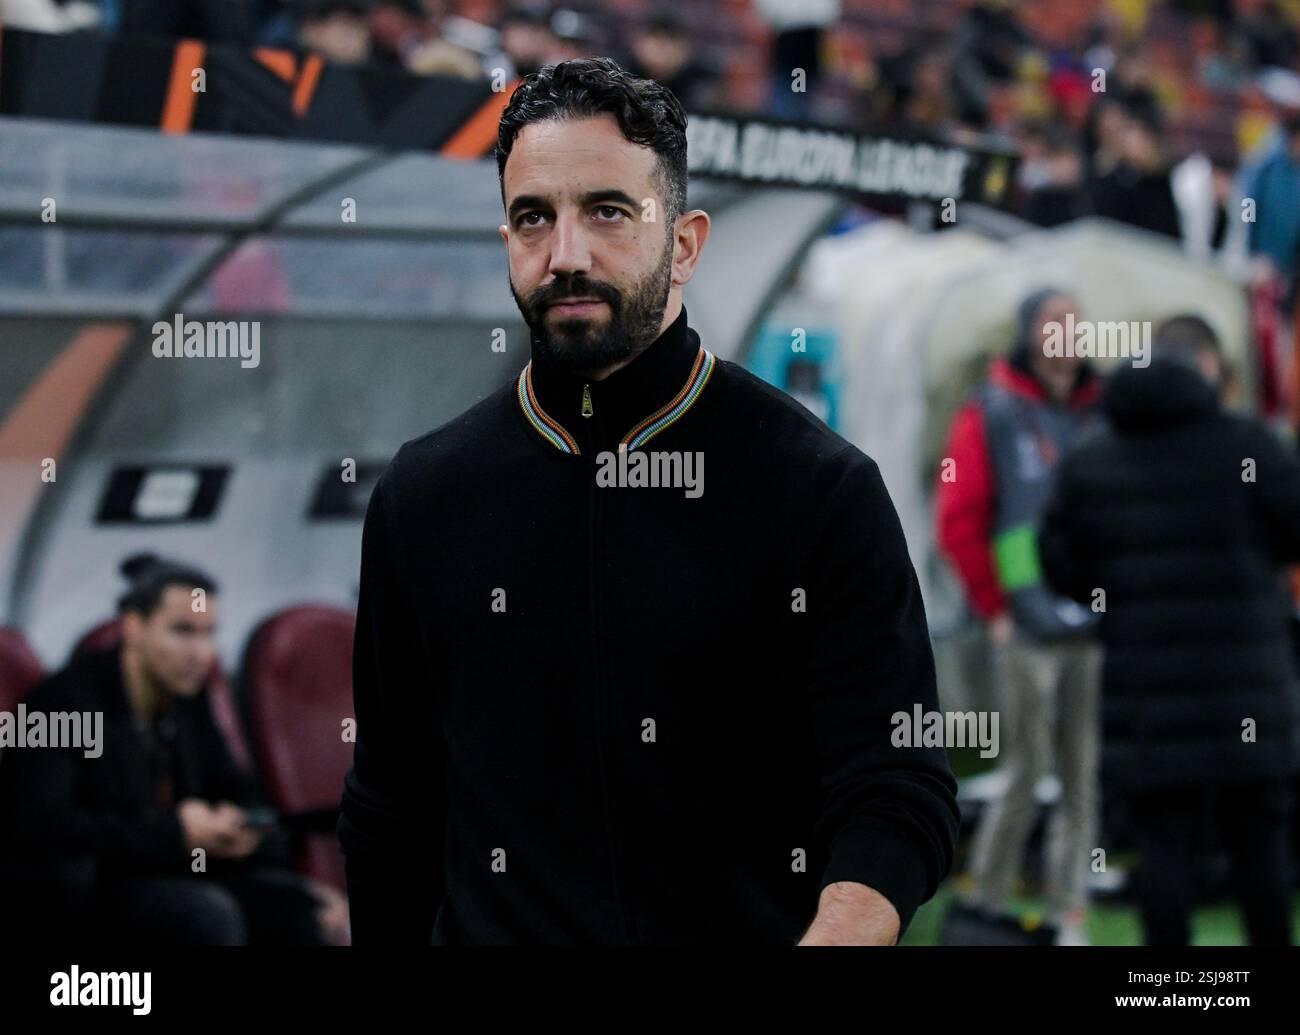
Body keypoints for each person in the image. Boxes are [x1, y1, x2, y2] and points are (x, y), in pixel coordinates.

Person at [337, 56, 959, 946]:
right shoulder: (425, 496)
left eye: (608, 212)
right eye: (532, 219)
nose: (567, 255)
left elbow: (896, 780)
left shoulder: (818, 488)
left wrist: (845, 923)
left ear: (687, 242)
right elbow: (390, 807)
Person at [1039, 315, 1300, 946]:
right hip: (1248, 684)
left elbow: (1060, 564)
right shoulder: (1249, 444)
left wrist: (1119, 594)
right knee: (1259, 845)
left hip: (1145, 688)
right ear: (1206, 369)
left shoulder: (1090, 461)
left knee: (1163, 847)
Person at [0, 554, 347, 945]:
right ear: (133, 627)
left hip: (174, 872)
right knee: (206, 914)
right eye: (184, 632)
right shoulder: (61, 703)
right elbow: (39, 828)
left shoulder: (185, 700)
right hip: (90, 891)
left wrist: (245, 830)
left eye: (208, 633)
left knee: (305, 912)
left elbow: (233, 786)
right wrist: (175, 834)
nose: (202, 653)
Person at [935, 287, 1104, 944]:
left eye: (1075, 322)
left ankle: (1070, 911)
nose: (1068, 334)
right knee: (1026, 771)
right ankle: (989, 902)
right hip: (1024, 623)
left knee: (1082, 771)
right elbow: (961, 516)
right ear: (1030, 334)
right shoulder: (994, 408)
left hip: (1090, 623)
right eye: (1054, 323)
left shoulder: (1101, 407)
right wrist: (995, 607)